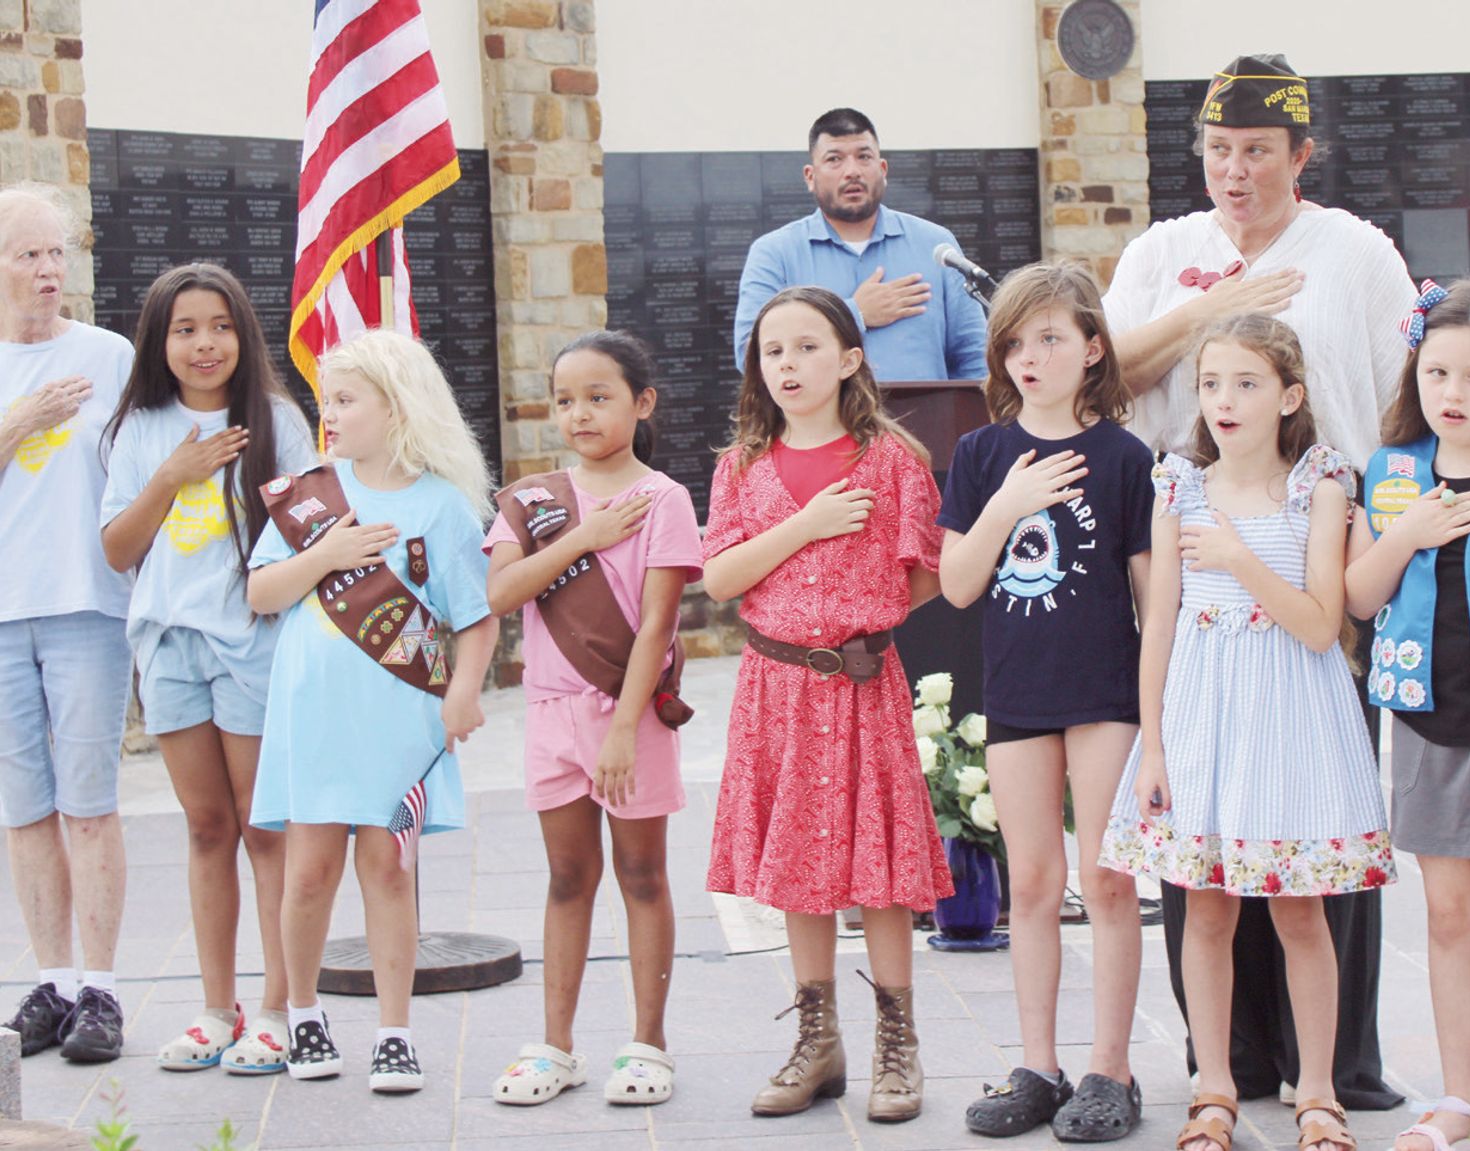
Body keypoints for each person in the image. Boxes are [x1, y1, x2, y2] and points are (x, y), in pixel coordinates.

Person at [1102, 54, 1416, 1109]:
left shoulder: (1356, 252)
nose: (1236, 173)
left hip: (1318, 546)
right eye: (1220, 152)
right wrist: (1216, 308)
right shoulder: (1162, 251)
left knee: (1318, 799)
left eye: (1259, 153)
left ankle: (1339, 1067)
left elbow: (1393, 402)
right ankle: (1222, 1067)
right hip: (1189, 554)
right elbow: (1106, 377)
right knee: (1208, 824)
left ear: (1300, 155)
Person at [1100, 314, 1396, 1151]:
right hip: (1204, 715)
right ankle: (1215, 1087)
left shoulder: (1322, 487)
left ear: (1289, 396)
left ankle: (1318, 1090)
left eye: (1247, 383)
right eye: (1211, 384)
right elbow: (1159, 622)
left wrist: (1237, 560)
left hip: (1291, 714)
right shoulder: (1178, 487)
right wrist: (1152, 743)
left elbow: (1317, 624)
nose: (1224, 401)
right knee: (1207, 913)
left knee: (1303, 913)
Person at [704, 285, 952, 1123]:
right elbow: (721, 577)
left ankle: (897, 1041)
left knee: (878, 872)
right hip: (774, 690)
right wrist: (807, 527)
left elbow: (924, 573)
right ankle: (818, 1039)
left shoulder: (891, 461)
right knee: (796, 877)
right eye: (773, 351)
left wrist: (860, 614)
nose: (788, 365)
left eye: (808, 347)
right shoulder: (739, 465)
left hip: (858, 686)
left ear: (849, 360)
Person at [244, 329, 499, 1092]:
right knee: (310, 869)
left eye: (347, 399)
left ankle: (395, 1030)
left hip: (399, 717)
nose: (331, 413)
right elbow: (261, 594)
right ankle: (304, 1013)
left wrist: (464, 689)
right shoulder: (310, 497)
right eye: (327, 400)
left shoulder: (442, 505)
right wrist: (324, 555)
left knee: (389, 867)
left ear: (397, 407)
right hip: (315, 714)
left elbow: (477, 616)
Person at [938, 264, 1153, 1141]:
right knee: (1031, 883)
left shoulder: (1126, 458)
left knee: (1106, 879)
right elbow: (955, 583)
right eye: (1015, 343)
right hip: (1018, 693)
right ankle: (1038, 1063)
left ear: (1093, 348)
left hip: (1105, 691)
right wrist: (1008, 504)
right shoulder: (985, 454)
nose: (1031, 356)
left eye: (1052, 338)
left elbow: (1149, 596)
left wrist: (1160, 716)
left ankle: (1111, 1067)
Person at [99, 264, 317, 1073]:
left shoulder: (278, 423)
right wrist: (170, 477)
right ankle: (214, 1007)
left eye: (219, 326)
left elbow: (313, 534)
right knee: (206, 826)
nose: (204, 343)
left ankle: (277, 1008)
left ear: (242, 334)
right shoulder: (138, 430)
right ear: (159, 341)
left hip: (251, 642)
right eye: (185, 328)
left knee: (265, 829)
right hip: (169, 646)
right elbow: (119, 549)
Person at [483, 331, 701, 1107]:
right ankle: (556, 1045)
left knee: (642, 874)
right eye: (566, 399)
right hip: (550, 711)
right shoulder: (533, 500)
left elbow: (657, 625)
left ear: (642, 403)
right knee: (568, 876)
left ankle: (649, 1040)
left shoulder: (665, 499)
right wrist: (585, 535)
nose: (580, 413)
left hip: (628, 715)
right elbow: (501, 595)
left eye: (599, 396)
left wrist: (621, 729)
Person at [1344, 277, 1470, 1151]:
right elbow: (1355, 596)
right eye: (1437, 373)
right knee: (1450, 918)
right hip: (1422, 722)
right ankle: (1458, 1100)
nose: (1452, 395)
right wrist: (1406, 533)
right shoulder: (1390, 473)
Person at [0, 183, 134, 1063]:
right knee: (25, 810)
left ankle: (102, 989)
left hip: (89, 604)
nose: (51, 270)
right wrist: (23, 418)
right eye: (29, 255)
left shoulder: (112, 354)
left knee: (89, 804)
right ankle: (47, 982)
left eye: (58, 252)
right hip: (3, 614)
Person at [732, 107, 987, 383]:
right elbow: (750, 353)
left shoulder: (936, 245)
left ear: (883, 169)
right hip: (822, 426)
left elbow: (975, 356)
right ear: (810, 176)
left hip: (925, 423)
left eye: (864, 157)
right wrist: (855, 313)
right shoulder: (775, 253)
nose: (852, 171)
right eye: (834, 159)